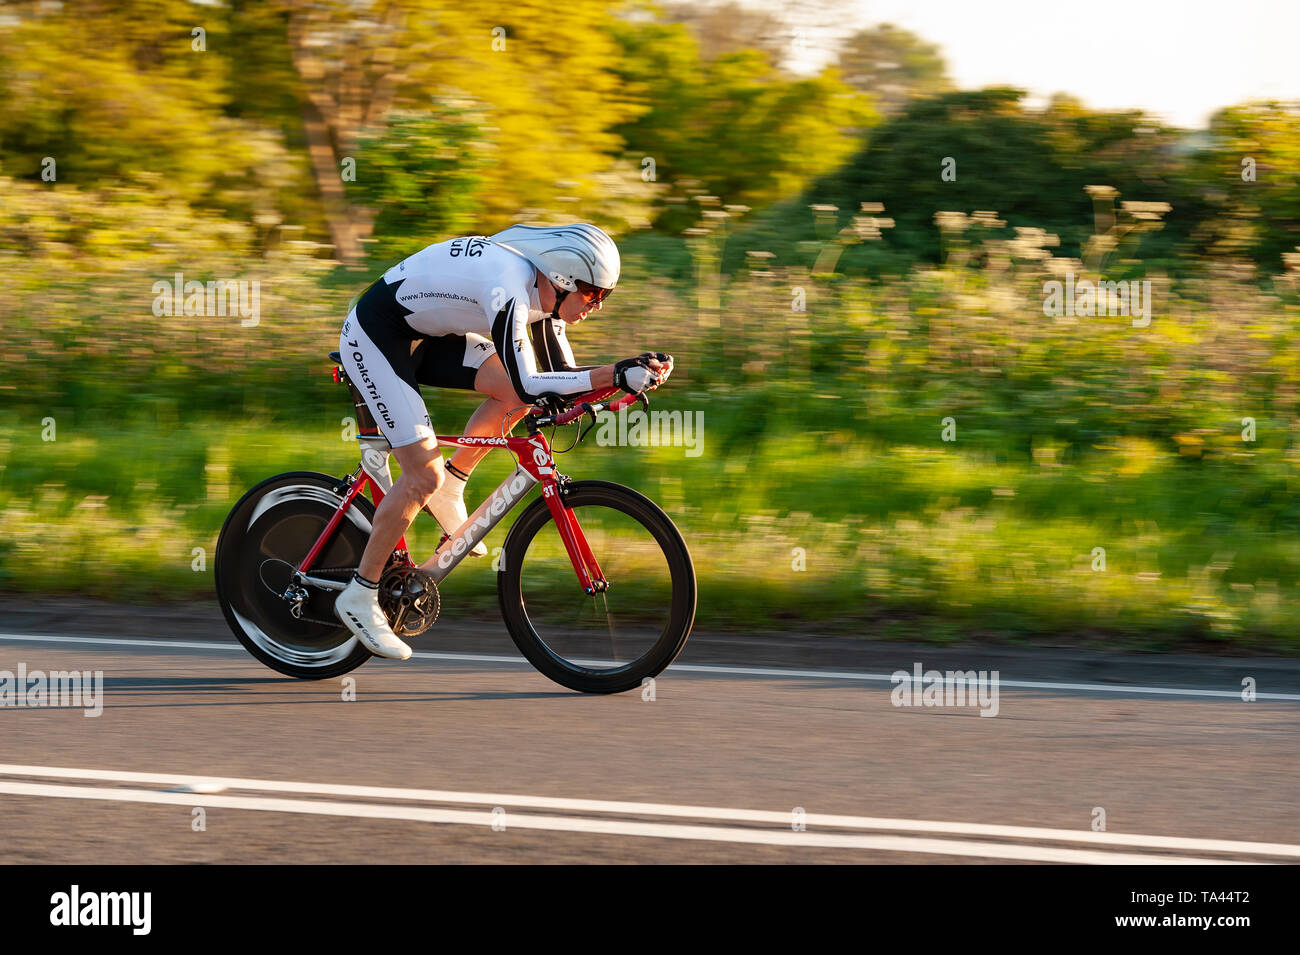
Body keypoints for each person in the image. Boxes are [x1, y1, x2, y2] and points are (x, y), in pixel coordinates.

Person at [333, 223, 674, 660]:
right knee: (422, 475)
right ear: (563, 279)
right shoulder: (508, 288)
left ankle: (453, 486)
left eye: (604, 296)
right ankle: (360, 595)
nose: (597, 305)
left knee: (509, 397)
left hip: (428, 335)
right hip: (377, 334)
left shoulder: (544, 300)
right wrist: (612, 372)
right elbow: (534, 382)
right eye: (593, 294)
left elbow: (553, 385)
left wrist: (622, 385)